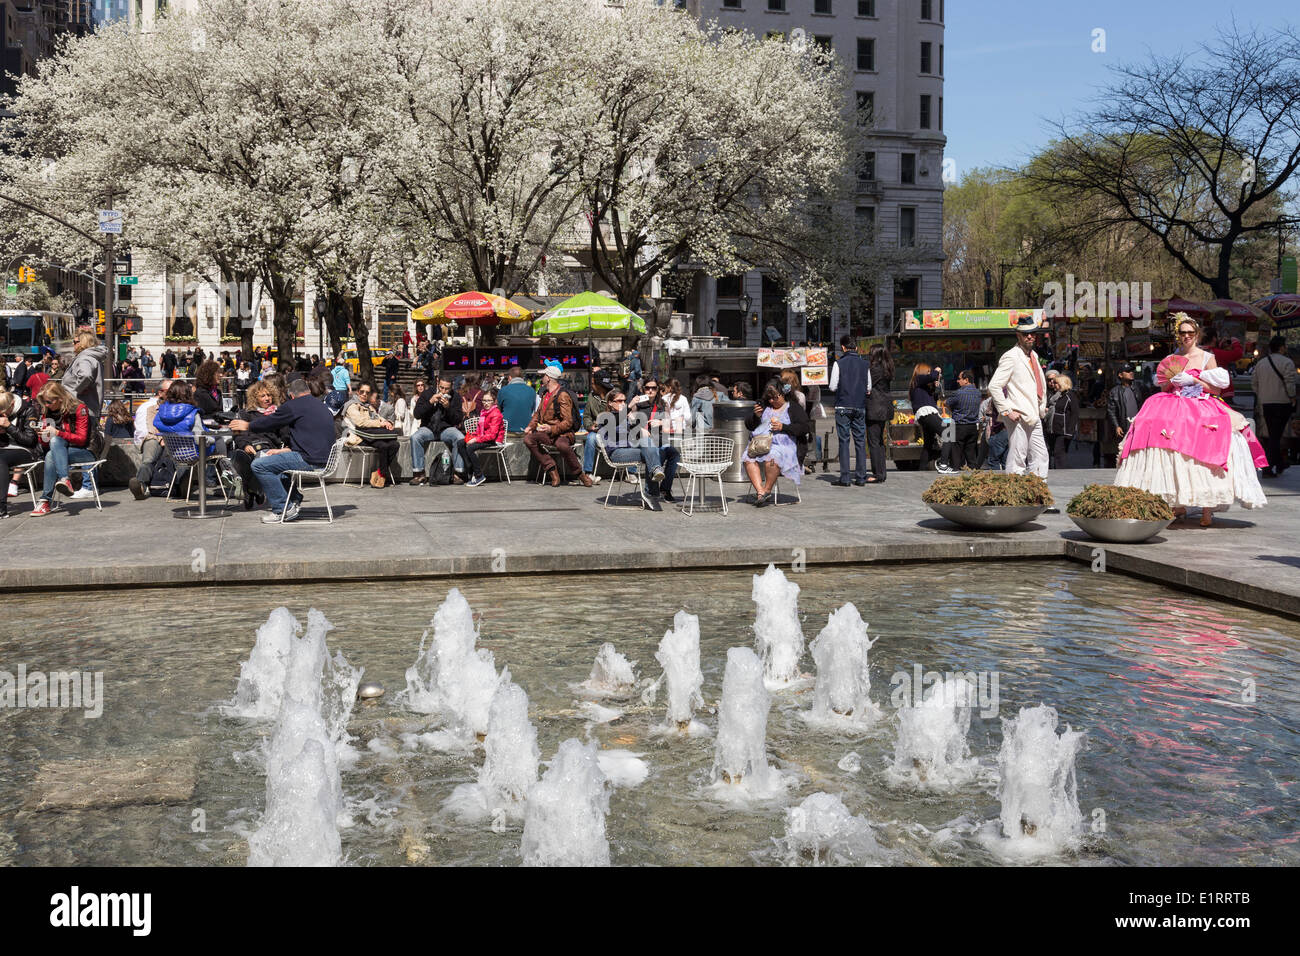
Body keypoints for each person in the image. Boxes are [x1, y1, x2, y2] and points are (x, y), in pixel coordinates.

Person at [230, 378, 336, 522]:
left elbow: (271, 421)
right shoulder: (321, 406)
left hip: (310, 460)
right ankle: (294, 498)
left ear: (291, 395)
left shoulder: (293, 406)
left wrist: (248, 426)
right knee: (275, 464)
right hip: (325, 459)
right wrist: (282, 451)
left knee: (259, 465)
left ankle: (282, 509)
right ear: (308, 391)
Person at [583, 390, 680, 504]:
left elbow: (639, 435)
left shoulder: (625, 417)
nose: (623, 403)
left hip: (631, 449)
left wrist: (636, 424)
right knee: (652, 453)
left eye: (624, 401)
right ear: (610, 403)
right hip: (617, 453)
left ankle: (655, 483)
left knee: (663, 450)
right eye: (619, 401)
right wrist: (629, 407)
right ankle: (652, 488)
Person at [989, 314, 1050, 478]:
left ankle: (1039, 495)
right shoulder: (1011, 356)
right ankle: (1014, 495)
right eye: (1025, 334)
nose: (1029, 336)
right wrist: (1007, 411)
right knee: (1018, 457)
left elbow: (1037, 384)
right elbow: (994, 386)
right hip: (1018, 414)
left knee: (1041, 456)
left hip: (1034, 414)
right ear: (1018, 335)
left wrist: (1041, 405)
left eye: (1032, 333)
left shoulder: (1034, 356)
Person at [30, 381, 97, 516]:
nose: (46, 405)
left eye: (49, 402)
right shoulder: (47, 411)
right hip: (59, 451)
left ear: (60, 398)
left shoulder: (78, 408)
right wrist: (43, 436)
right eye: (44, 402)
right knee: (50, 453)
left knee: (53, 450)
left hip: (85, 451)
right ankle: (64, 480)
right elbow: (46, 446)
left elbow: (82, 439)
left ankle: (45, 501)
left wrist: (58, 433)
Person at [741, 383, 809, 507]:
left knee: (772, 456)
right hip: (762, 443)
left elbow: (804, 427)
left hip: (786, 447)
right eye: (769, 398)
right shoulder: (765, 407)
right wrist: (756, 416)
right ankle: (760, 492)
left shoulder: (793, 407)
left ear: (783, 395)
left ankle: (766, 490)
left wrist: (784, 427)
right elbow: (749, 425)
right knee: (748, 456)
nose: (771, 401)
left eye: (775, 398)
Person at [524, 365, 589, 487]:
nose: (541, 378)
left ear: (548, 378)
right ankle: (551, 469)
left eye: (543, 376)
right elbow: (538, 414)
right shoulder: (544, 394)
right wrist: (530, 427)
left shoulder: (562, 395)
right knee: (528, 439)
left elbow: (568, 422)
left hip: (563, 433)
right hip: (547, 433)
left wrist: (551, 428)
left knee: (561, 444)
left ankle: (580, 473)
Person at [1251, 335, 1297, 478]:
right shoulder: (1287, 363)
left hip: (1266, 403)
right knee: (1275, 437)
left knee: (1272, 434)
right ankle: (1268, 467)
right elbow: (1290, 383)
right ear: (1282, 347)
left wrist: (1261, 396)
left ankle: (1279, 462)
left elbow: (1254, 383)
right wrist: (1293, 397)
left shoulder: (1261, 363)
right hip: (1282, 402)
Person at [410, 375, 468, 485]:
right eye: (441, 388)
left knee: (460, 437)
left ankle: (458, 473)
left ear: (451, 387)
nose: (444, 391)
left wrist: (448, 407)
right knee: (415, 437)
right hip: (428, 428)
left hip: (446, 429)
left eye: (447, 389)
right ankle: (419, 473)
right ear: (437, 383)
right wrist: (430, 402)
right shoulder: (427, 394)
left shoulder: (455, 396)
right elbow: (417, 414)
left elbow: (458, 419)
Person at [828, 335, 870, 486]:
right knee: (860, 441)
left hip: (843, 406)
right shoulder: (865, 364)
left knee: (844, 441)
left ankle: (845, 478)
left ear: (843, 348)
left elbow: (832, 386)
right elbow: (869, 387)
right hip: (859, 406)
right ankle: (860, 477)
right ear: (856, 348)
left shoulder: (838, 364)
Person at [343, 382, 400, 488]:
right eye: (362, 392)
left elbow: (378, 417)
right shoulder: (352, 406)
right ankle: (382, 474)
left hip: (371, 434)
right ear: (357, 392)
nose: (364, 394)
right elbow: (360, 423)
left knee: (395, 445)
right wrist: (380, 423)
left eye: (367, 393)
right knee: (383, 446)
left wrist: (387, 423)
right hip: (358, 436)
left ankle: (379, 472)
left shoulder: (369, 406)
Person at [0, 389, 41, 518]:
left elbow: (30, 440)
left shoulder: (29, 410)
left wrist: (9, 427)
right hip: (5, 447)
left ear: (12, 405)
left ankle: (1, 507)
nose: (2, 414)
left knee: (0, 460)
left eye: (4, 411)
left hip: (27, 450)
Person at [938, 369, 982, 473]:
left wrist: (951, 408)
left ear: (966, 380)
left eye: (959, 379)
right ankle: (973, 470)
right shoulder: (978, 393)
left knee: (956, 450)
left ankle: (955, 469)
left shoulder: (958, 393)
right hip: (973, 427)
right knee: (971, 451)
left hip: (960, 426)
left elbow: (947, 403)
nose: (958, 381)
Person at [60, 331, 109, 423]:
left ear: (83, 343)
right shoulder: (90, 358)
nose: (73, 344)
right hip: (86, 409)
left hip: (80, 410)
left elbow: (86, 375)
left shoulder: (84, 358)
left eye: (75, 342)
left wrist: (77, 390)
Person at [462, 388, 505, 487]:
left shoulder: (495, 414)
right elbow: (480, 430)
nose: (485, 403)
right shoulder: (484, 412)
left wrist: (476, 439)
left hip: (494, 440)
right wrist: (472, 436)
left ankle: (478, 475)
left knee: (470, 448)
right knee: (461, 443)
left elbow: (492, 435)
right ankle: (470, 470)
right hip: (485, 437)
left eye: (488, 401)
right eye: (484, 400)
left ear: (494, 402)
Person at [864, 342, 894, 484]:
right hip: (883, 407)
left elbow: (866, 385)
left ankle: (877, 474)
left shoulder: (875, 369)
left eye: (871, 353)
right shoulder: (887, 367)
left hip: (875, 407)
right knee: (879, 442)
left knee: (874, 441)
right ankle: (881, 472)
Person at [1104, 364, 1141, 469]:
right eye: (1128, 371)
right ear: (1120, 375)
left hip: (1137, 425)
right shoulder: (1115, 391)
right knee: (1122, 448)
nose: (1131, 373)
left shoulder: (1138, 389)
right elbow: (1111, 410)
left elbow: (1143, 406)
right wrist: (1116, 425)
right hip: (1123, 425)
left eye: (1131, 371)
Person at [909, 362, 944, 470]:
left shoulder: (922, 386)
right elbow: (933, 375)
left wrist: (935, 387)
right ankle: (945, 464)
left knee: (928, 444)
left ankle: (922, 468)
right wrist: (937, 370)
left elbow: (933, 399)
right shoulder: (918, 379)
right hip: (927, 413)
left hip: (926, 413)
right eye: (928, 371)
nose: (929, 374)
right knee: (948, 433)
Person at [1044, 373, 1079, 470]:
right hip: (1053, 429)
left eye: (1056, 383)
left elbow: (1074, 414)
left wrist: (1070, 432)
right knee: (1053, 452)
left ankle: (1061, 473)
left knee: (1059, 452)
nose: (1053, 384)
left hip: (1064, 430)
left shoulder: (1070, 396)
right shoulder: (1057, 395)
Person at [498, 366, 539, 433]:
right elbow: (533, 410)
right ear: (522, 378)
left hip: (507, 429)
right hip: (526, 429)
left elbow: (498, 410)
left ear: (510, 377)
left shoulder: (503, 390)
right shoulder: (532, 390)